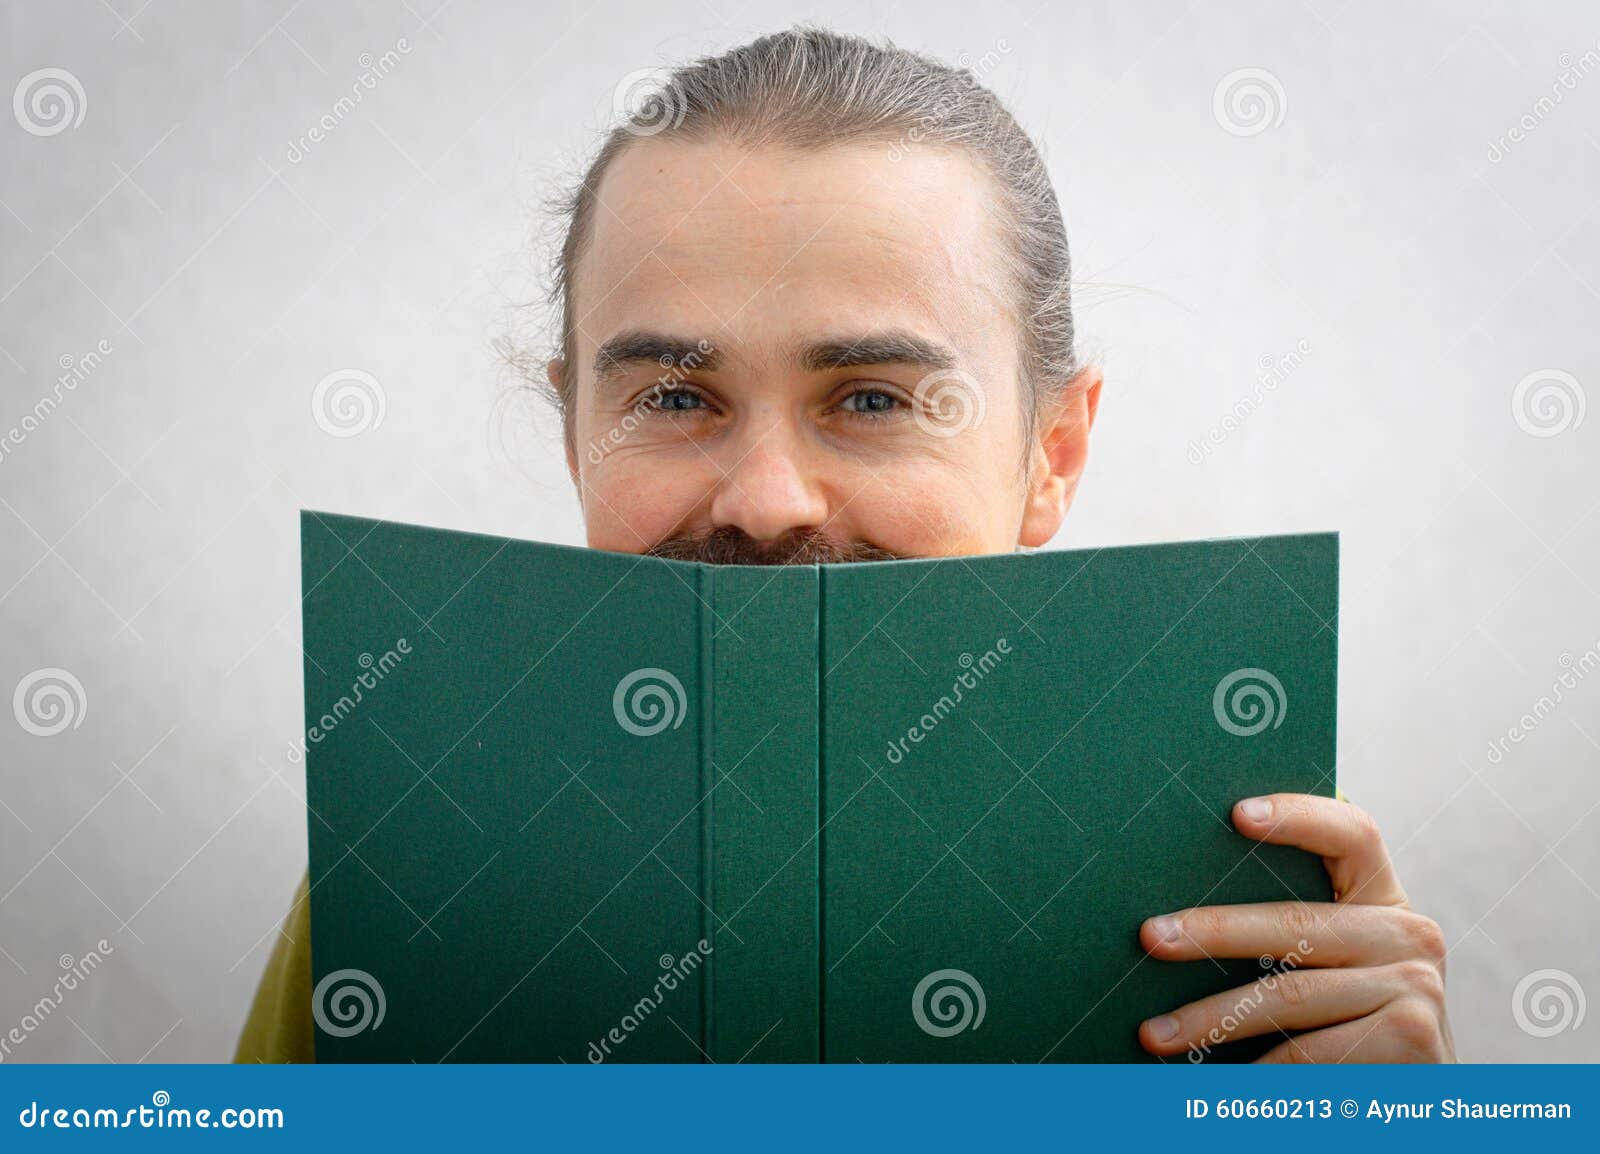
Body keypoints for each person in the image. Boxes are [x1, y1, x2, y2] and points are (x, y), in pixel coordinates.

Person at [237, 26, 1453, 1063]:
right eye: (673, 396)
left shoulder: (1253, 876)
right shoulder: (409, 851)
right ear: (575, 435)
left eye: (873, 397)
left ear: (1053, 453)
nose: (766, 502)